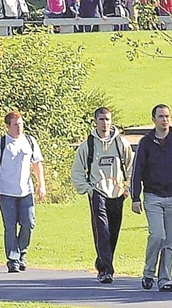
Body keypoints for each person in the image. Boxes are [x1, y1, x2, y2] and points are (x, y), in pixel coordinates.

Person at [130, 103, 172, 293]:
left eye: (167, 116)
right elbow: (137, 170)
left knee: (169, 242)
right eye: (161, 117)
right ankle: (149, 272)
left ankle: (165, 279)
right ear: (153, 119)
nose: (164, 120)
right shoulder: (146, 143)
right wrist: (135, 197)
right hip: (152, 196)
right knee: (157, 235)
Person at [71, 107, 134, 284]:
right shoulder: (88, 146)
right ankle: (107, 270)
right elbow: (77, 172)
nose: (105, 123)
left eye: (107, 119)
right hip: (97, 192)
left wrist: (127, 187)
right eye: (101, 119)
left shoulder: (122, 144)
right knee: (102, 230)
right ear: (95, 121)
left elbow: (131, 167)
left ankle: (102, 262)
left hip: (118, 193)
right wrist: (88, 189)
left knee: (113, 232)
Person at [0, 110, 46, 273]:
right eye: (15, 125)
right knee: (10, 226)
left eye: (21, 124)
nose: (19, 128)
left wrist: (41, 184)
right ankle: (13, 259)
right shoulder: (1, 143)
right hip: (6, 192)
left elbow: (37, 164)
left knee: (28, 223)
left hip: (25, 191)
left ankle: (22, 254)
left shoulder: (30, 141)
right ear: (8, 126)